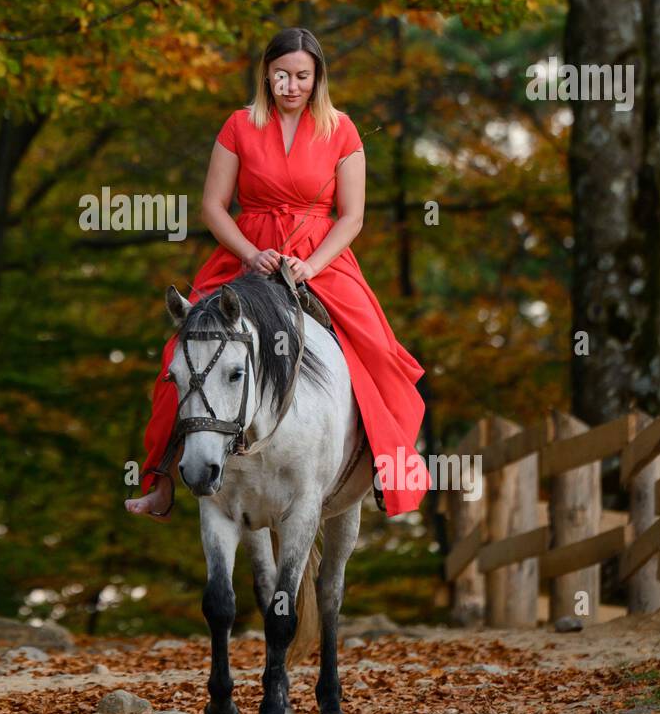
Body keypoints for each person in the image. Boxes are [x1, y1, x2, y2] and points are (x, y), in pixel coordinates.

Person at [125, 27, 431, 520]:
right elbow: (212, 206)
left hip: (319, 256)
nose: (292, 85)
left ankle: (387, 468)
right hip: (246, 254)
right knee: (182, 350)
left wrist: (311, 264)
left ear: (317, 78)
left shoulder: (342, 129)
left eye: (302, 76)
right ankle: (161, 478)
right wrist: (249, 253)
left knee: (377, 350)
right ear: (267, 73)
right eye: (283, 75)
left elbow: (351, 216)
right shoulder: (239, 125)